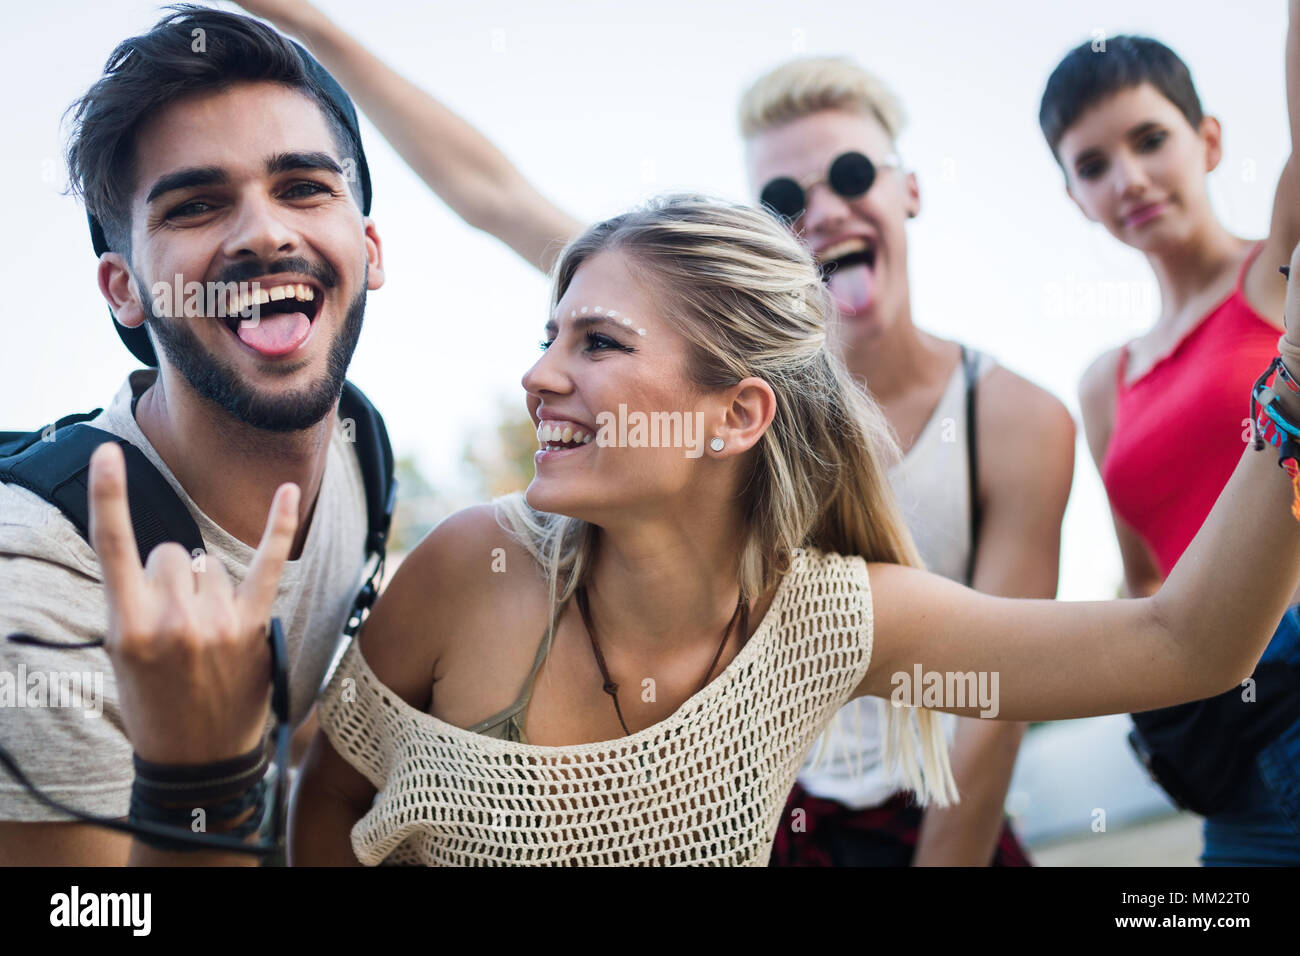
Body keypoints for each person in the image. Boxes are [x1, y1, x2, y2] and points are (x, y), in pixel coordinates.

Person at [233, 0, 1076, 865]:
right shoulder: (654, 322)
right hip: (753, 812)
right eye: (785, 198)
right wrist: (310, 25)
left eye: (852, 174)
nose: (821, 210)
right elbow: (490, 194)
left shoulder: (1008, 416)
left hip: (931, 808)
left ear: (908, 187)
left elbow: (999, 691)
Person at [267, 193, 1300, 865]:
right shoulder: (470, 565)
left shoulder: (823, 620)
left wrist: (1291, 390)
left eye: (597, 342)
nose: (539, 375)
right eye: (549, 337)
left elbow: (1187, 642)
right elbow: (327, 802)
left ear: (737, 415)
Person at [0, 6, 385, 866]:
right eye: (196, 205)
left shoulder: (363, 449)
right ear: (124, 289)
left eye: (303, 188)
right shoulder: (36, 601)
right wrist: (197, 780)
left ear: (369, 249)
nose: (264, 233)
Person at [1041, 12, 1300, 864]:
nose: (1130, 178)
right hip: (1231, 743)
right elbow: (1145, 577)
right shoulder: (1102, 383)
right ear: (1073, 198)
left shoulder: (1278, 274)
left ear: (1210, 140)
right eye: (1093, 165)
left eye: (1151, 139)